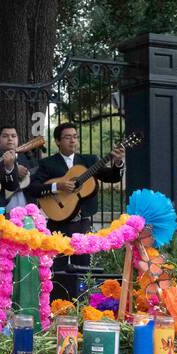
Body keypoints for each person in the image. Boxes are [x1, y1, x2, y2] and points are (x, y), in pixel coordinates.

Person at [32, 122, 124, 298]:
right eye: (67, 137)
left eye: (75, 136)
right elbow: (34, 188)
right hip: (58, 222)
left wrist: (118, 162)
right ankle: (55, 303)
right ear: (58, 141)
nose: (72, 140)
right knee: (56, 268)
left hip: (82, 222)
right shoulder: (48, 163)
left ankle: (81, 305)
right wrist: (57, 186)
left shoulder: (89, 161)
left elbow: (111, 177)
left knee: (82, 269)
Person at [0, 124, 34, 211]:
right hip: (2, 209)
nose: (10, 139)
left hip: (27, 207)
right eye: (5, 136)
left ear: (17, 139)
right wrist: (14, 169)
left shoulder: (27, 158)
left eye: (13, 136)